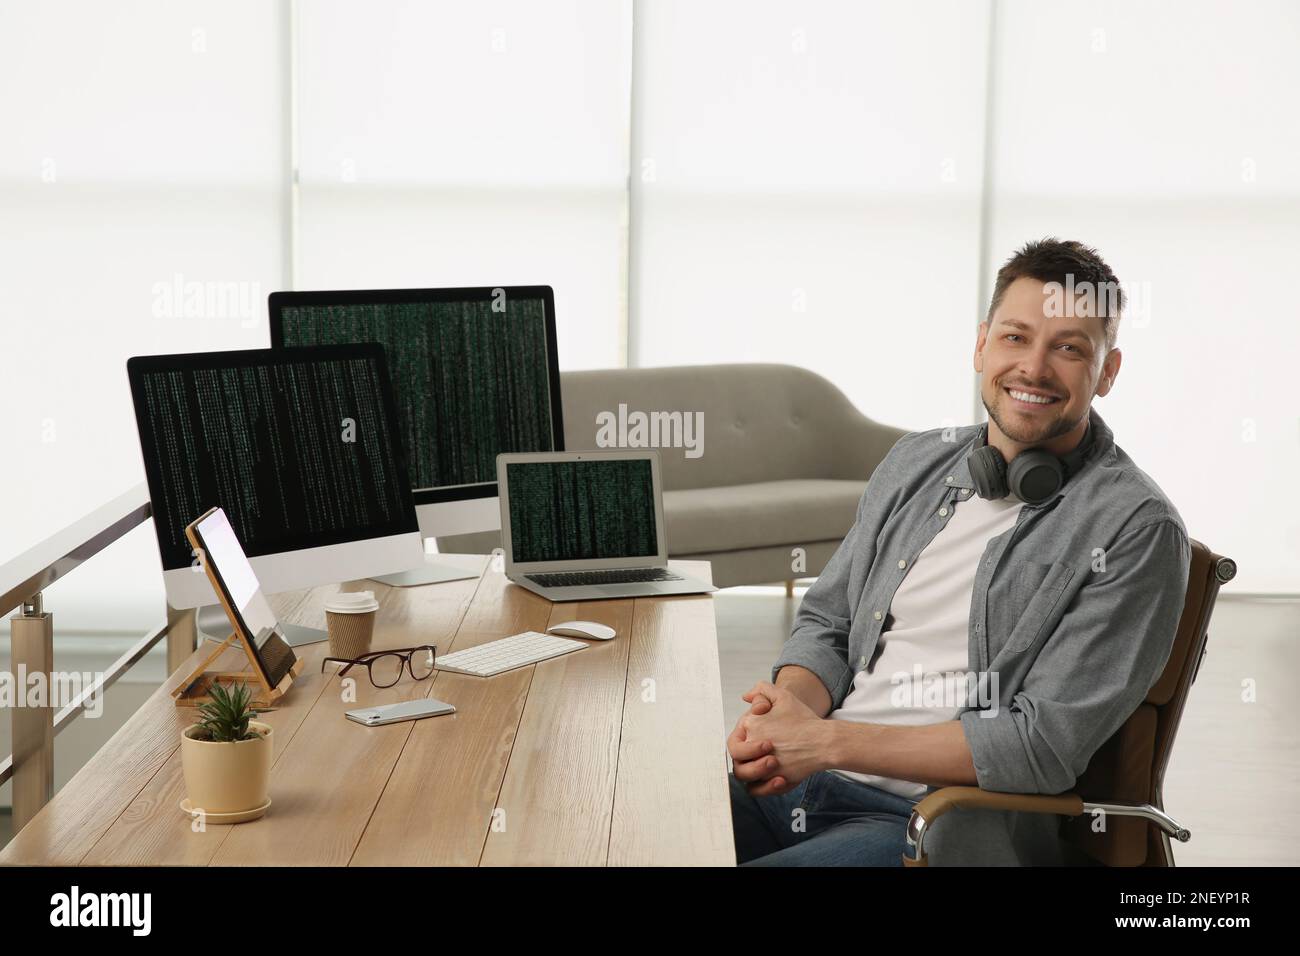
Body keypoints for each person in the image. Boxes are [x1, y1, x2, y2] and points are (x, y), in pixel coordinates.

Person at [728, 238, 1190, 866]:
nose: (1033, 368)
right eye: (1015, 337)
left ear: (1107, 372)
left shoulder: (1135, 528)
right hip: (797, 781)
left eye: (1069, 348)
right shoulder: (916, 461)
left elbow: (1038, 746)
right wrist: (786, 718)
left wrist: (826, 743)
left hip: (927, 825)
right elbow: (829, 622)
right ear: (981, 345)